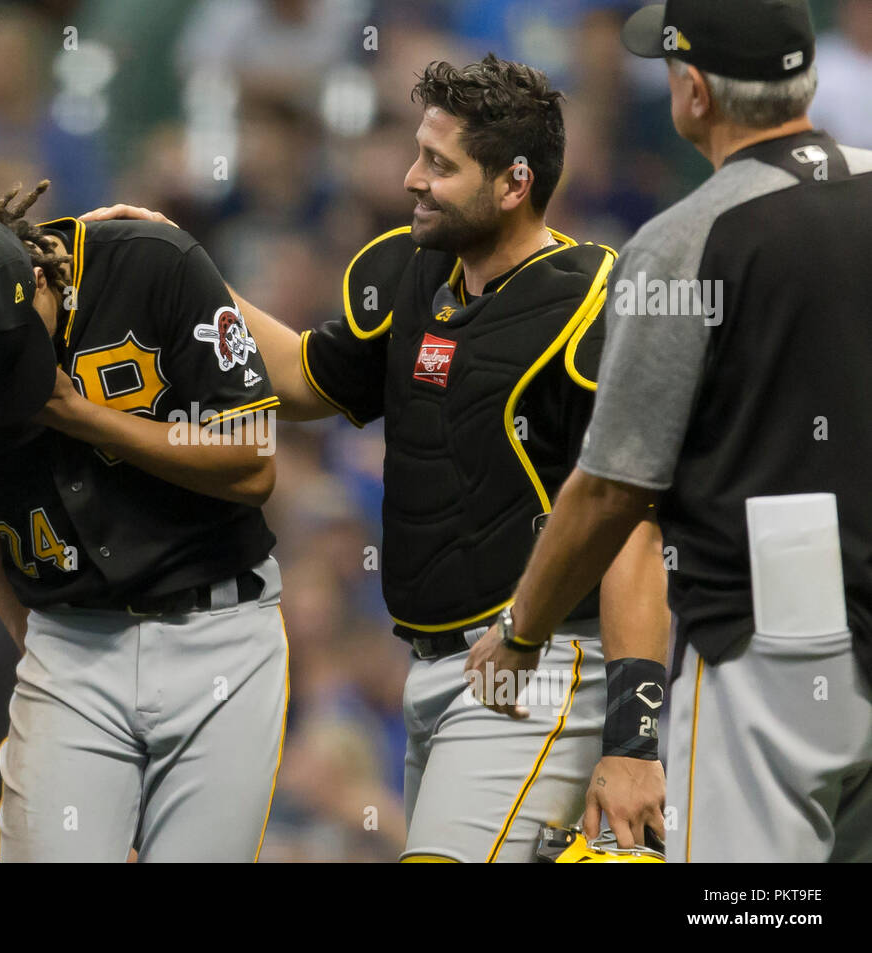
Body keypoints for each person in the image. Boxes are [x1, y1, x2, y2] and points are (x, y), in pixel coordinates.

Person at [88, 54, 671, 862]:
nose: (411, 179)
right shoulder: (411, 268)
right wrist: (181, 268)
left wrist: (633, 741)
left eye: (440, 164)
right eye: (416, 154)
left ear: (514, 183)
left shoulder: (594, 302)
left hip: (541, 667)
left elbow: (628, 528)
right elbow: (300, 379)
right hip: (433, 672)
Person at [478, 0, 872, 862]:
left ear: (694, 92)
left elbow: (615, 486)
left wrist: (520, 630)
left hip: (764, 629)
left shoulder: (684, 242)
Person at [0, 182, 288, 863]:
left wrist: (90, 420)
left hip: (221, 630)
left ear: (42, 275)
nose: (11, 381)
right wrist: (21, 619)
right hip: (70, 642)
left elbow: (253, 461)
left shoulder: (152, 263)